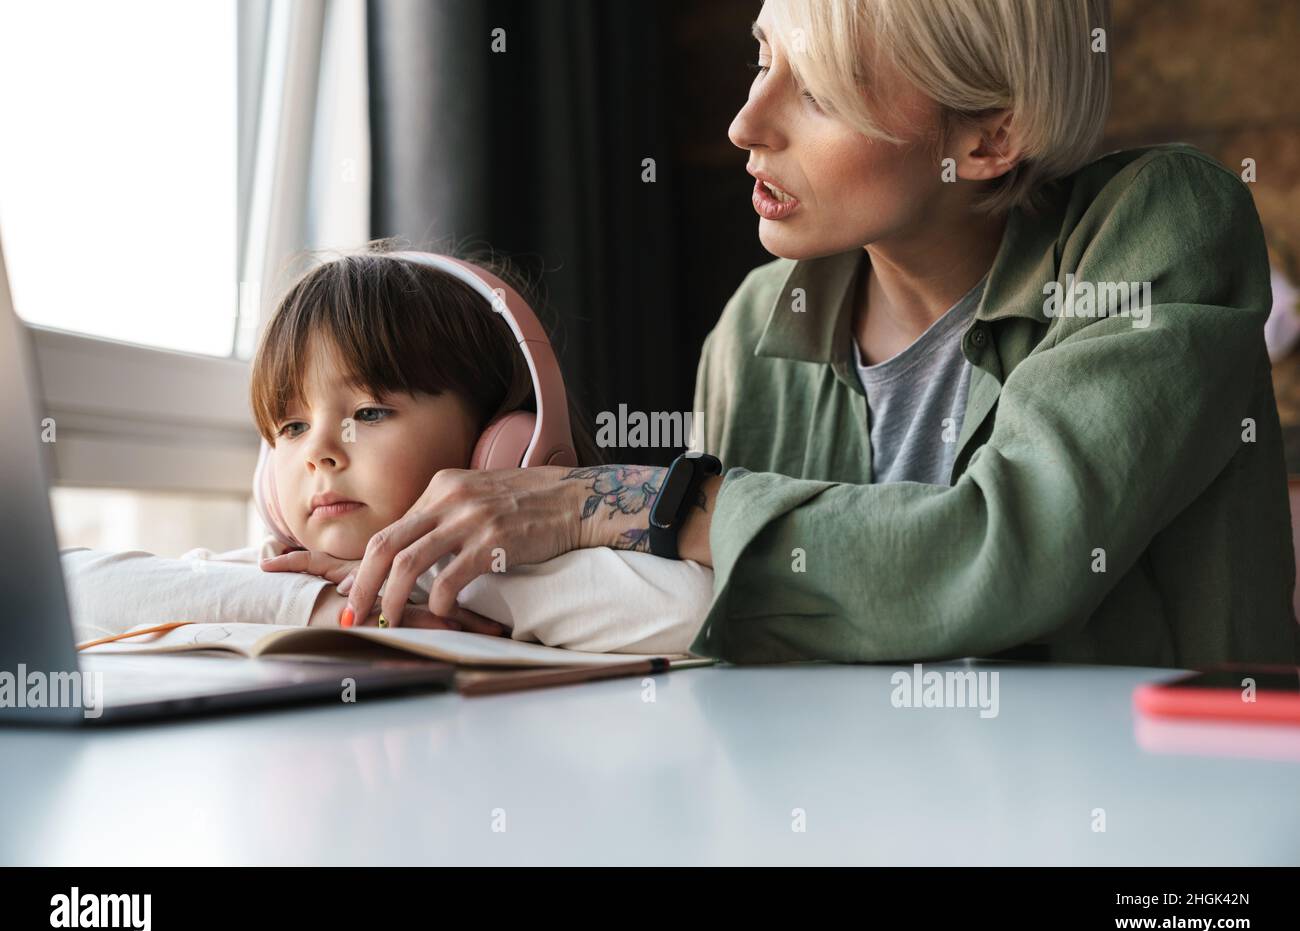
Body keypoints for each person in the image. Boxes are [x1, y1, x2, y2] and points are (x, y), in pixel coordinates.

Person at [330, 0, 1298, 669]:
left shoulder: (1163, 226)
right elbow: (716, 621)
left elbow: (1012, 556)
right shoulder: (758, 326)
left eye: (820, 91)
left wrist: (632, 498)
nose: (746, 122)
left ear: (987, 138)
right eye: (762, 56)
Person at [59, 244, 712, 656]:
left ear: (499, 450)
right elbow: (72, 584)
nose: (319, 451)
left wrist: (455, 585)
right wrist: (333, 609)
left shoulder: (509, 572)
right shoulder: (297, 572)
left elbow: (691, 607)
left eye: (368, 412)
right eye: (289, 428)